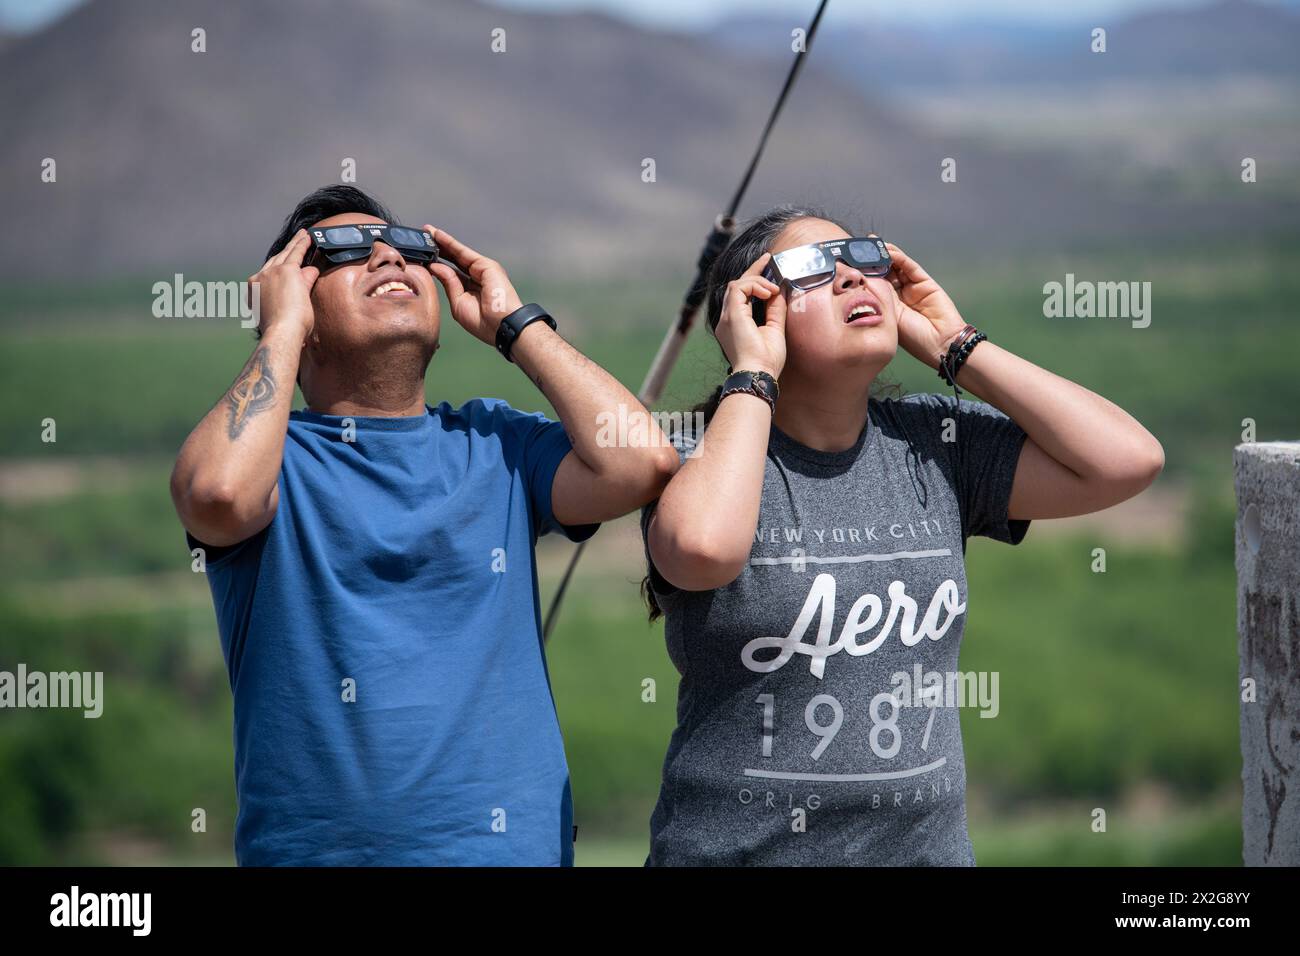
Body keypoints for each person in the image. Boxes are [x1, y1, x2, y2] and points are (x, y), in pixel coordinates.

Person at [639, 205, 1165, 865]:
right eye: (810, 269)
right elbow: (700, 549)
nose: (852, 280)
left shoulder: (933, 442)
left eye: (864, 260)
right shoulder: (703, 456)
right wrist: (752, 375)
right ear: (754, 312)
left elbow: (1127, 460)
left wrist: (957, 345)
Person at [171, 185, 678, 865]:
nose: (388, 255)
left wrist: (514, 324)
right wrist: (279, 331)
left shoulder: (494, 442)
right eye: (344, 251)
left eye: (409, 245)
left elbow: (641, 464)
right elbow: (218, 496)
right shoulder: (271, 465)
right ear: (293, 297)